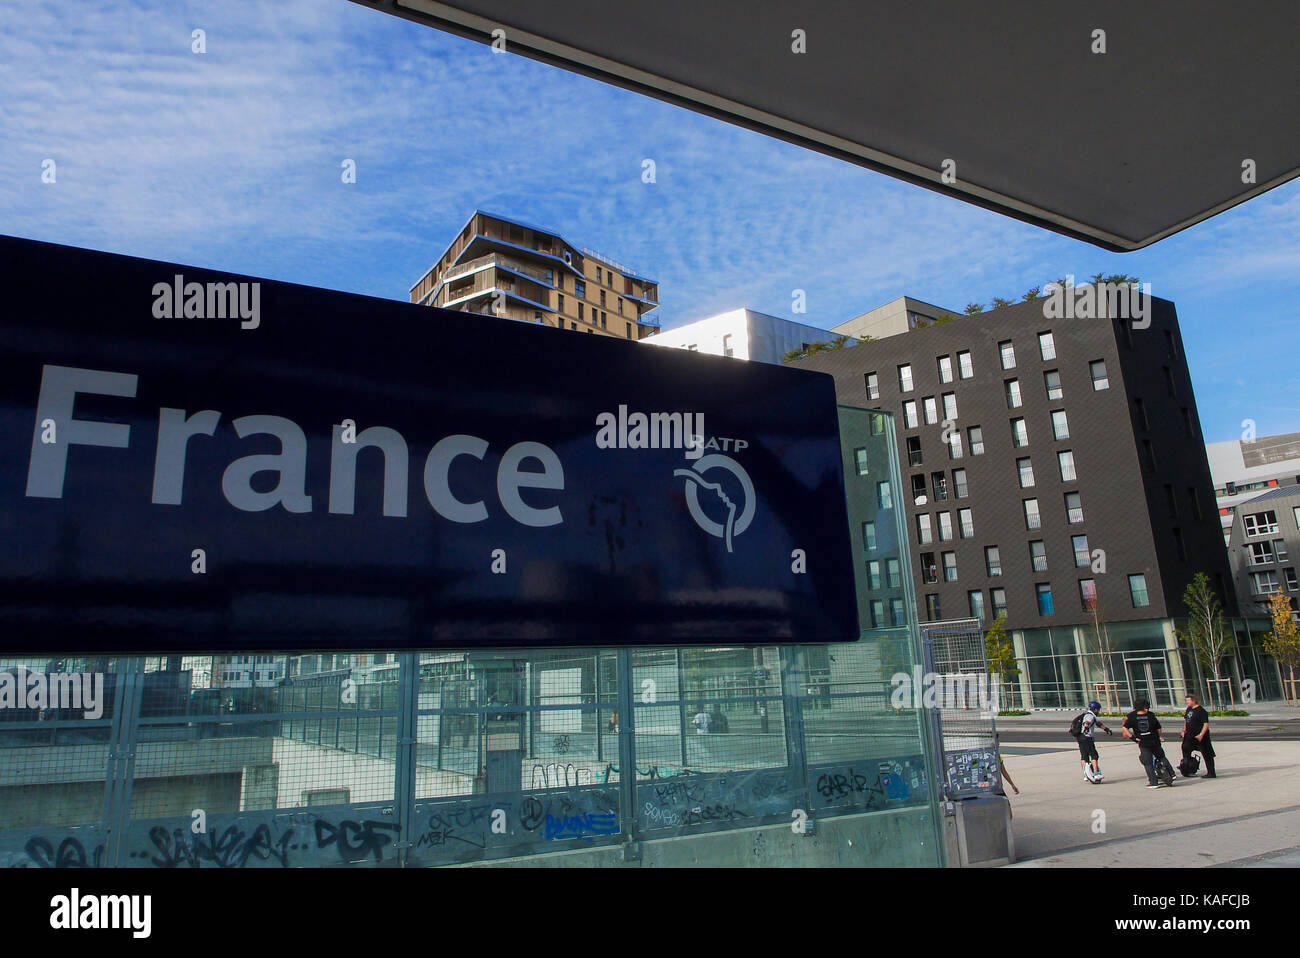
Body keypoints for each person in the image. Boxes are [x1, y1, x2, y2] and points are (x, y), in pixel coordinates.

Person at [1123, 697, 1173, 788]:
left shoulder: (1133, 717)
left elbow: (1125, 727)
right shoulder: (1150, 715)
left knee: (1147, 762)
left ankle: (1153, 782)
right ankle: (1172, 774)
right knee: (1161, 757)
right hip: (1154, 741)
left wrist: (1133, 738)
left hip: (1143, 743)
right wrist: (1159, 736)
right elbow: (1159, 728)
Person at [1180, 693, 1217, 778]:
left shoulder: (1201, 711)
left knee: (1207, 754)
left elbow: (1206, 724)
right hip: (1189, 735)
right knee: (1185, 749)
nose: (1187, 702)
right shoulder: (1189, 709)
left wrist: (1201, 735)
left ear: (1193, 701)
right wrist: (1184, 731)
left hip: (1201, 737)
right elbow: (1186, 721)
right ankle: (1187, 769)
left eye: (1188, 700)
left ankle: (1211, 772)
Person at [1076, 700, 1114, 783]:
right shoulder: (1090, 716)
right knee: (1094, 755)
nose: (1098, 711)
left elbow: (1098, 724)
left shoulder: (1087, 714)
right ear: (1095, 709)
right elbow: (1087, 722)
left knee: (1084, 756)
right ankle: (1096, 773)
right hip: (1087, 737)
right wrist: (1086, 728)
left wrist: (1106, 729)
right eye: (1098, 709)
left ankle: (1085, 775)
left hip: (1080, 737)